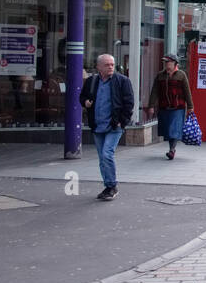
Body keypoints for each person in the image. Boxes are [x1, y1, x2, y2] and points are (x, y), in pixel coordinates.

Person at [79, 53, 135, 200]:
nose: (110, 67)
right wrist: (85, 103)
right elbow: (82, 97)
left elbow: (129, 103)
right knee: (102, 158)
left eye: (112, 64)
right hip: (97, 125)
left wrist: (122, 122)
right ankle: (108, 186)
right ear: (98, 67)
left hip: (114, 126)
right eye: (107, 65)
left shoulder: (122, 81)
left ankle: (112, 186)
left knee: (106, 154)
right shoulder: (92, 81)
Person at [145, 53, 193, 161]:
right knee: (167, 130)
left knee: (174, 129)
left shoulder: (181, 75)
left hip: (178, 107)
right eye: (165, 62)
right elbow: (154, 91)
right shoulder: (160, 75)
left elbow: (187, 91)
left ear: (175, 63)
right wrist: (151, 105)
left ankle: (172, 150)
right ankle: (171, 148)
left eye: (169, 62)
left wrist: (190, 106)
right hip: (164, 107)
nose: (167, 64)